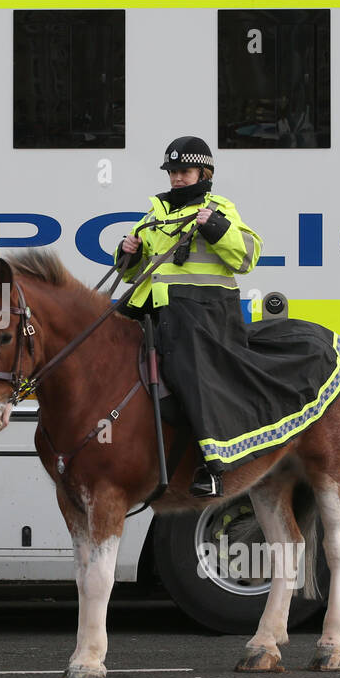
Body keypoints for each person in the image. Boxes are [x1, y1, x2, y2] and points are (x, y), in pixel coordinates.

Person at [117, 136, 264, 497]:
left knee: (191, 374)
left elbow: (247, 258)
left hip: (203, 316)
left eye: (184, 171)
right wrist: (127, 252)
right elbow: (130, 274)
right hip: (155, 311)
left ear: (204, 172)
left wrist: (216, 227)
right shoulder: (154, 214)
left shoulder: (220, 207)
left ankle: (212, 465)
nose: (177, 178)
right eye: (173, 172)